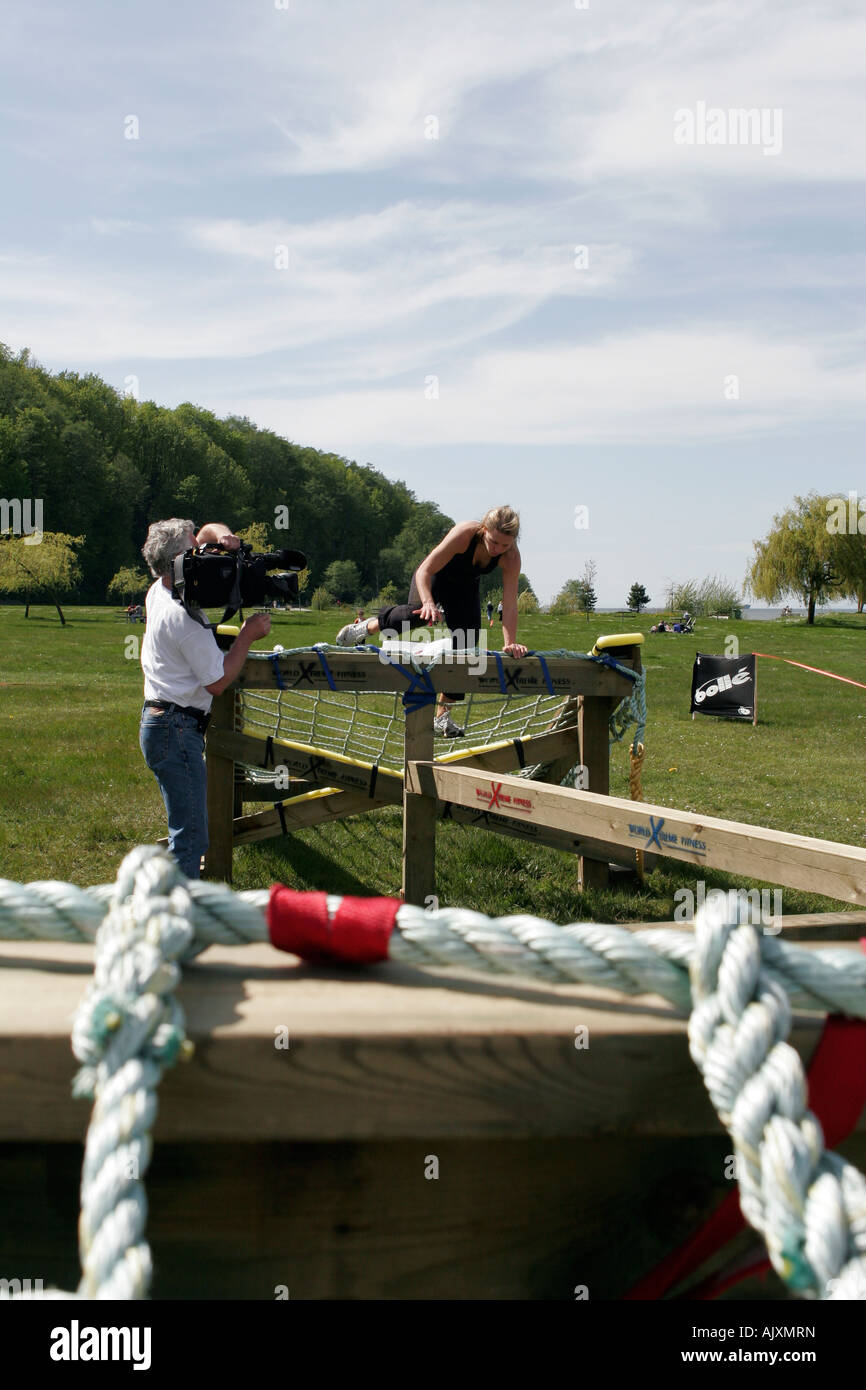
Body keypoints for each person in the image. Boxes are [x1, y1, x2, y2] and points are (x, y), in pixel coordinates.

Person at [139, 519, 271, 878]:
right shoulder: (181, 619)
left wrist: (222, 536)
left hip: (163, 724)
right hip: (176, 729)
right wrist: (247, 635)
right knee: (192, 836)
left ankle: (172, 903)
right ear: (180, 562)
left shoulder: (159, 591)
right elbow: (217, 681)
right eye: (196, 552)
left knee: (186, 829)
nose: (204, 555)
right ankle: (180, 914)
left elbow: (208, 528)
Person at [336, 505, 528, 736]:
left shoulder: (511, 558)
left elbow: (509, 605)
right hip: (436, 576)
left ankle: (442, 717)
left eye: (505, 545)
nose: (497, 549)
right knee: (416, 614)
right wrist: (428, 602)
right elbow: (425, 570)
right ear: (484, 529)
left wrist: (510, 642)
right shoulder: (464, 534)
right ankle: (366, 627)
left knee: (466, 645)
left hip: (464, 587)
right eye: (493, 542)